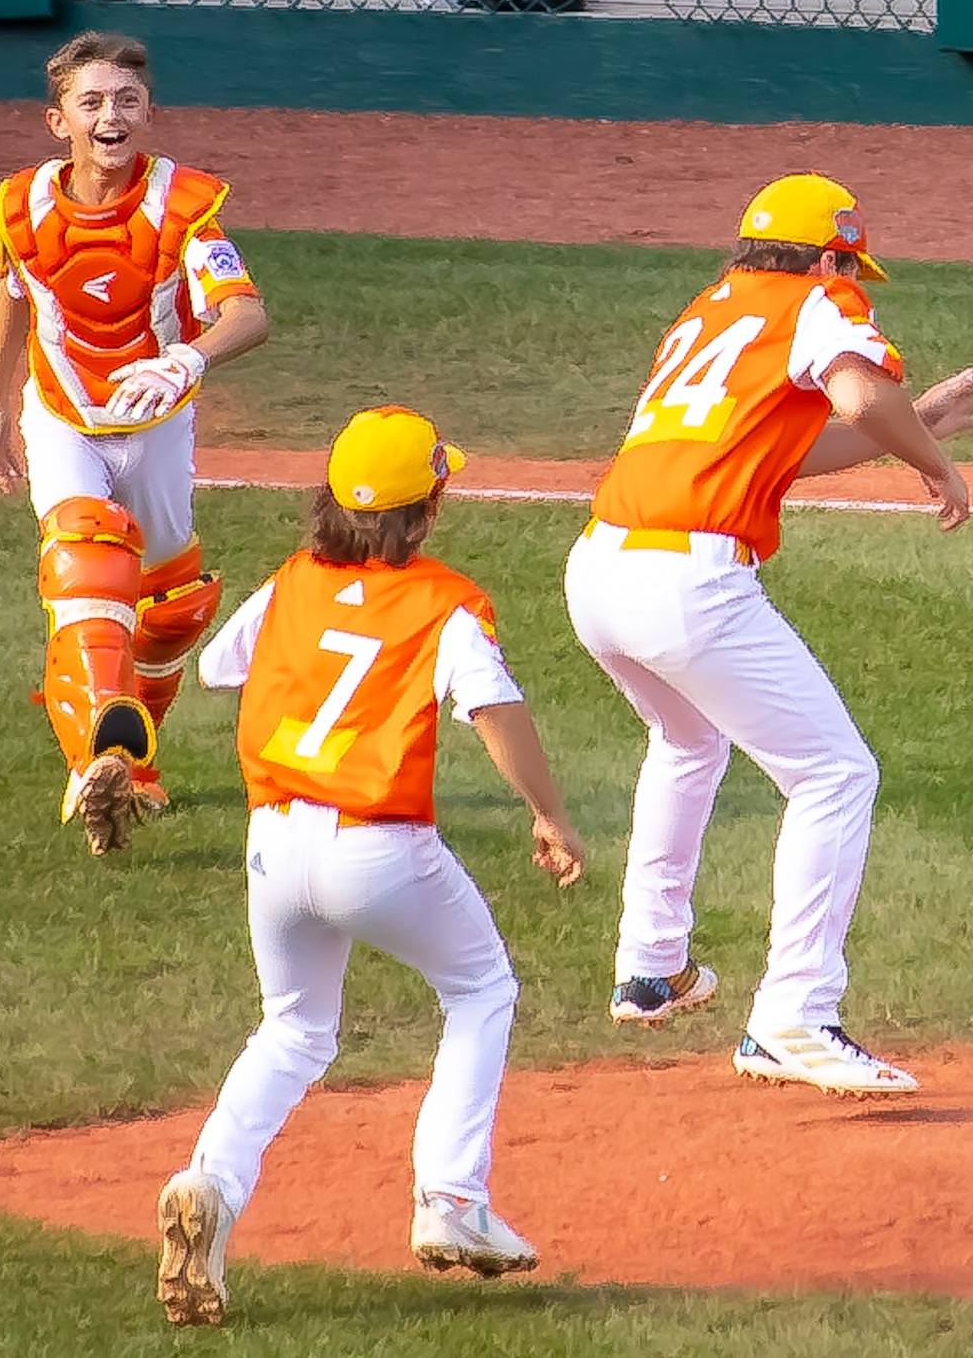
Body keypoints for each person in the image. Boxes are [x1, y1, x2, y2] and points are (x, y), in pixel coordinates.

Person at [564, 174, 973, 1095]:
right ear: (824, 255)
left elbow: (788, 453)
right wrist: (937, 463)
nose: (855, 278)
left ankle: (651, 966)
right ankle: (794, 1013)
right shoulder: (818, 299)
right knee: (836, 773)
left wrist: (912, 421)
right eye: (849, 261)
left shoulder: (714, 306)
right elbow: (855, 396)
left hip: (600, 568)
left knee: (686, 739)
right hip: (686, 581)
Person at [153, 406, 587, 1326]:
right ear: (424, 511)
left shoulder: (291, 581)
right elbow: (496, 709)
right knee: (480, 988)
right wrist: (549, 813)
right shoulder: (444, 602)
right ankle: (451, 1201)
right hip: (378, 848)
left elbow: (222, 669)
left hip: (274, 845)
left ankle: (208, 1186)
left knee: (294, 1030)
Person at [0, 31, 270, 855]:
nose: (112, 115)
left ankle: (135, 757)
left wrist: (186, 357)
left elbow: (247, 312)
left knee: (172, 608)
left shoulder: (182, 206)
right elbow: (13, 294)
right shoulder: (19, 206)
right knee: (86, 562)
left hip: (158, 424)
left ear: (149, 111)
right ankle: (97, 756)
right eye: (92, 101)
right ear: (56, 119)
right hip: (64, 419)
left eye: (127, 100)